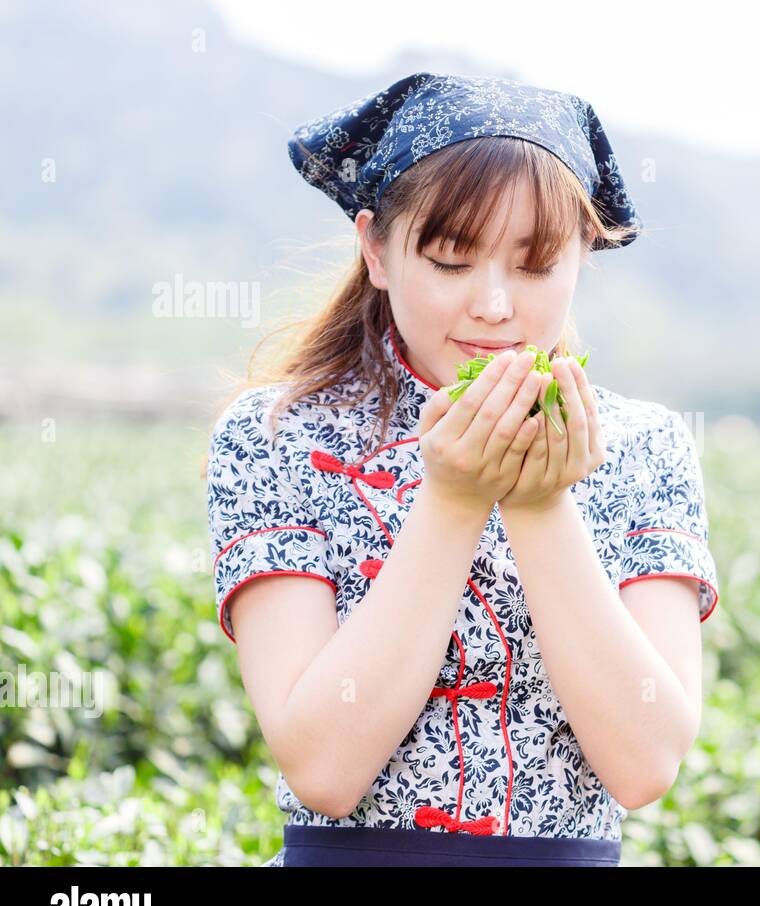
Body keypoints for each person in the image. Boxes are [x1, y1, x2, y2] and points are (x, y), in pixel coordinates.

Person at [203, 73, 720, 866]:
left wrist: (541, 504)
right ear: (376, 249)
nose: (494, 305)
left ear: (582, 256)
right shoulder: (280, 434)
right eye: (450, 259)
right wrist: (452, 500)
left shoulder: (645, 445)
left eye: (536, 263)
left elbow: (646, 765)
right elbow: (324, 770)